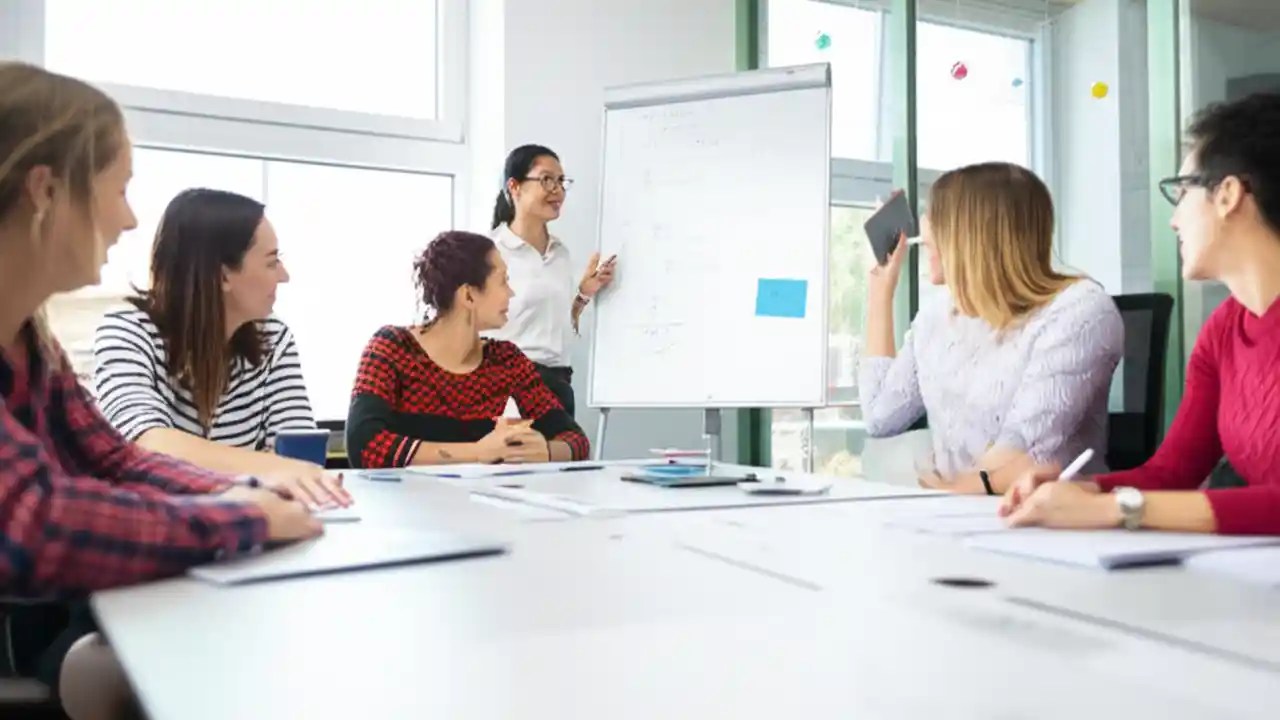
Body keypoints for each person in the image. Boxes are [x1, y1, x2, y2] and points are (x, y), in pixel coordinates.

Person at [0, 62, 321, 720]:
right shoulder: (116, 330)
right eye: (117, 190)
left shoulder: (32, 339)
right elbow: (30, 521)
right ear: (45, 190)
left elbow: (110, 459)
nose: (128, 218)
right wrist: (247, 515)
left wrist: (255, 490)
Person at [1001, 93, 1280, 535]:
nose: (1174, 220)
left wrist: (1118, 510)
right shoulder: (1224, 330)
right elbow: (1171, 474)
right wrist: (1084, 490)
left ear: (1228, 194)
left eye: (1183, 191)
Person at [859, 162, 1124, 495]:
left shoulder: (1079, 310)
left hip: (1046, 521)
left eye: (934, 214)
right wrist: (880, 292)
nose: (922, 227)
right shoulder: (936, 315)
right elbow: (880, 417)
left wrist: (941, 495)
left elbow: (1022, 448)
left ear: (970, 232)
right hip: (951, 511)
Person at [92, 188, 348, 509]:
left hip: (249, 522)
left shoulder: (274, 338)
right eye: (272, 263)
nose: (284, 276)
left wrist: (278, 468)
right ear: (222, 275)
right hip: (155, 526)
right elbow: (147, 444)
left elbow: (298, 453)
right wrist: (271, 467)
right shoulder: (128, 330)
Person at [347, 230, 591, 468]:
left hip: (481, 504)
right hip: (404, 505)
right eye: (503, 281)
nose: (511, 292)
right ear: (469, 296)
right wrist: (478, 452)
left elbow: (576, 441)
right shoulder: (391, 348)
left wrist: (545, 451)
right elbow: (364, 446)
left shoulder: (506, 360)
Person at [486, 144, 615, 417]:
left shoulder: (560, 252)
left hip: (558, 384)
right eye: (546, 179)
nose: (557, 190)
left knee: (567, 456)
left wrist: (583, 294)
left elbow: (552, 322)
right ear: (515, 186)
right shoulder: (490, 252)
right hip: (509, 389)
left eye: (561, 181)